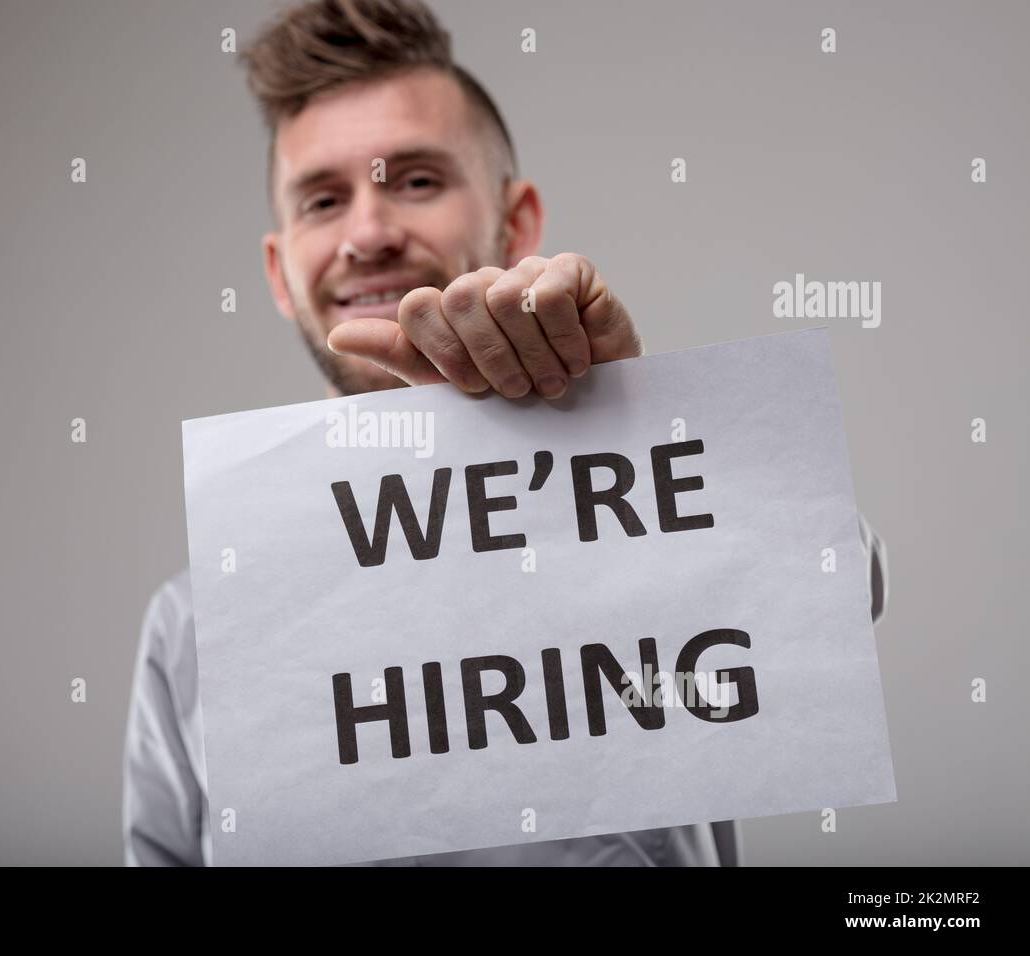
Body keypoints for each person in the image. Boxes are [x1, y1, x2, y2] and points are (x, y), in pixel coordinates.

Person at [123, 0, 887, 866]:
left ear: (515, 222)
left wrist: (630, 441)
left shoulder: (629, 509)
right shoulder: (192, 625)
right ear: (279, 270)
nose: (368, 233)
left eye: (416, 180)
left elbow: (825, 588)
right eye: (323, 199)